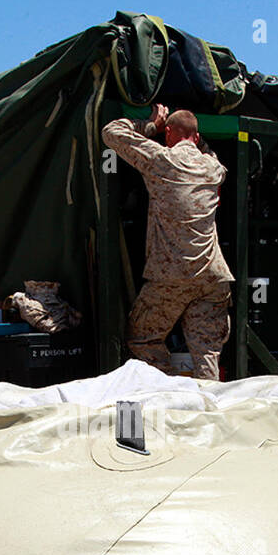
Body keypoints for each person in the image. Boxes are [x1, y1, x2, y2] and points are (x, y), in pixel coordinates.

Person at [102, 105, 233, 381]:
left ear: (169, 132)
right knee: (207, 353)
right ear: (196, 138)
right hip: (212, 277)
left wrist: (151, 125)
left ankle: (168, 394)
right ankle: (208, 412)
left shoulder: (162, 159)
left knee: (143, 339)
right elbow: (214, 159)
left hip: (171, 275)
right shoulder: (213, 167)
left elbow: (111, 133)